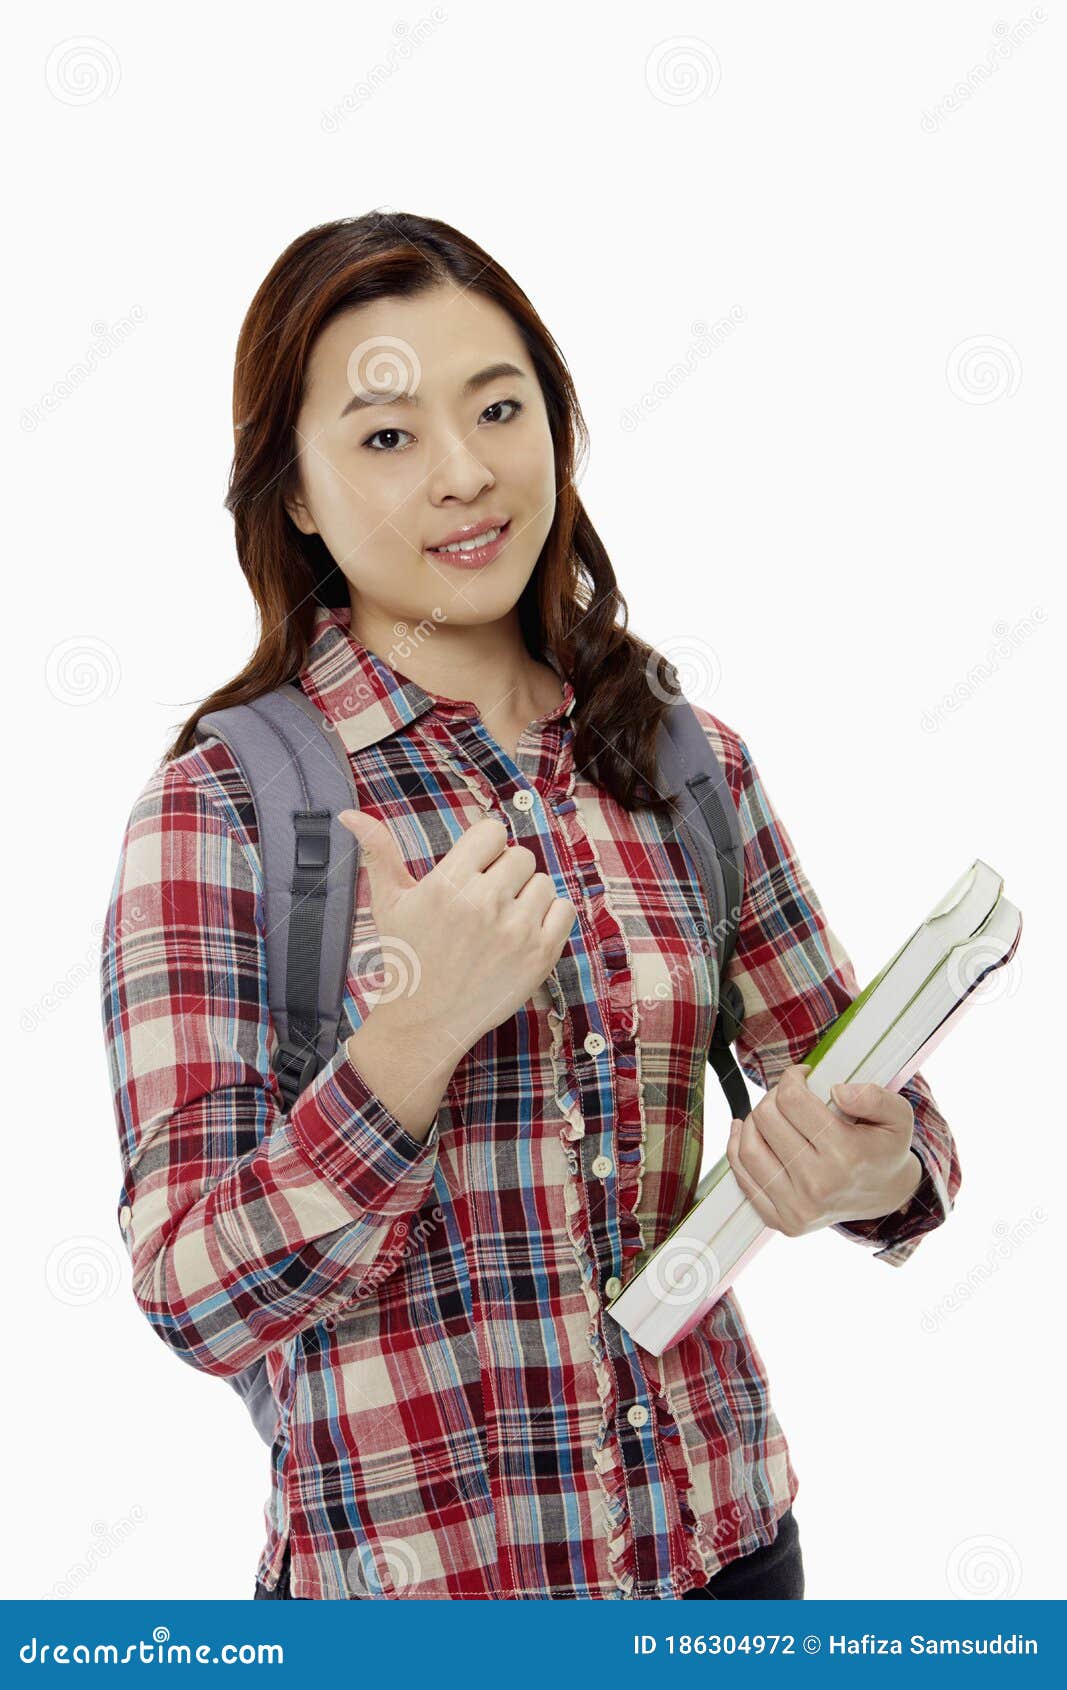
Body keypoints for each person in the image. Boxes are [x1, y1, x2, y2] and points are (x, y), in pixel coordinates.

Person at [99, 211, 961, 1602]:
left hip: (728, 1568)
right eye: (385, 437)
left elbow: (891, 1119)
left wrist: (875, 1170)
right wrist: (407, 1044)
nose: (464, 473)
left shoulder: (684, 761)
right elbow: (192, 1288)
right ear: (297, 495)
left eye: (499, 408)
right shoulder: (229, 810)